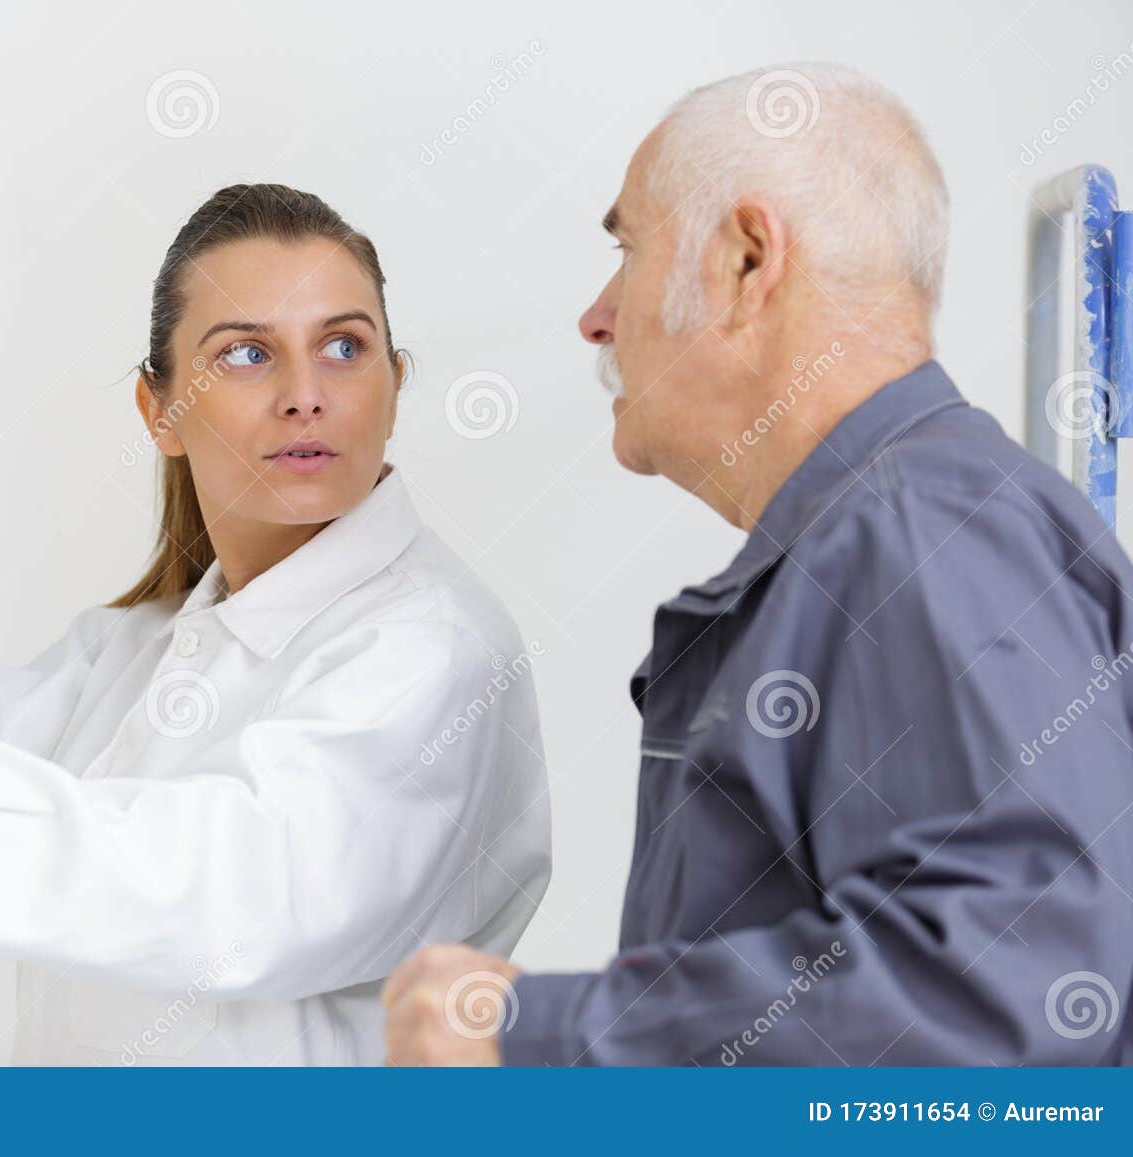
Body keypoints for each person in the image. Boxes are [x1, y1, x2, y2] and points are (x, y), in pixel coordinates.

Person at [383, 63, 1133, 1066]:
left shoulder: (922, 531)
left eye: (627, 249)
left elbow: (1006, 986)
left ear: (746, 262)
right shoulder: (886, 536)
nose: (597, 316)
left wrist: (537, 1034)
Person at [0, 184, 551, 1065]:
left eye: (343, 346)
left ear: (394, 388)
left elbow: (236, 893)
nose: (305, 394)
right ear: (159, 412)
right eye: (247, 353)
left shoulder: (434, 648)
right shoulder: (135, 648)